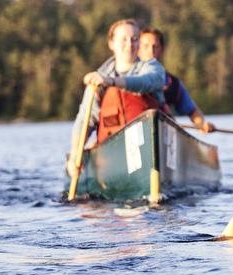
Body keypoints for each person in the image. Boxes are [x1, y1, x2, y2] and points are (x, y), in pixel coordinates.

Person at [65, 18, 166, 177]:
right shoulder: (97, 80)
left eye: (134, 39)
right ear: (111, 43)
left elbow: (147, 82)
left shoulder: (153, 68)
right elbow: (85, 120)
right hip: (112, 152)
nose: (130, 44)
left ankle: (152, 179)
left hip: (148, 144)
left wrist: (112, 81)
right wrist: (74, 155)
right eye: (123, 39)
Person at [139, 27, 216, 134]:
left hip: (164, 133)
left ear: (162, 49)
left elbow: (193, 111)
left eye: (155, 46)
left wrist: (201, 125)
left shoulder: (172, 83)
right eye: (145, 46)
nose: (151, 51)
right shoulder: (127, 79)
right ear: (137, 49)